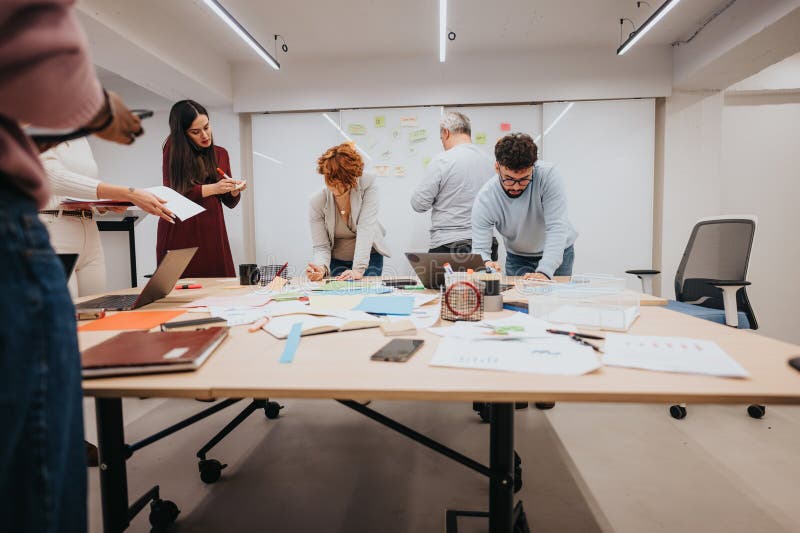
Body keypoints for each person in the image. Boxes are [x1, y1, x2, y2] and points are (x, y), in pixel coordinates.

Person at [0, 1, 146, 530]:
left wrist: (113, 196)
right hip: (37, 223)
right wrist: (99, 108)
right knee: (35, 450)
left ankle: (88, 426)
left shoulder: (73, 139)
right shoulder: (71, 114)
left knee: (93, 330)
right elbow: (43, 53)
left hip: (87, 228)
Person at [40, 137, 174, 297]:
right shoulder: (36, 129)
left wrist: (101, 205)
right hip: (55, 228)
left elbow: (85, 186)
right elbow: (52, 177)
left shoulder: (80, 138)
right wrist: (128, 193)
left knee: (93, 309)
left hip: (89, 230)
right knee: (64, 312)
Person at [156, 100, 245, 277]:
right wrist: (214, 188)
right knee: (184, 291)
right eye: (196, 132)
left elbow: (228, 201)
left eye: (207, 127)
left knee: (219, 289)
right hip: (182, 228)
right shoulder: (173, 148)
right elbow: (174, 191)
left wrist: (233, 191)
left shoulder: (221, 153)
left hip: (212, 228)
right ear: (183, 134)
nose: (205, 135)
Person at [472, 133, 578, 280]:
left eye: (523, 180)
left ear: (533, 167)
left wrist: (544, 272)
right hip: (518, 257)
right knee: (519, 300)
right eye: (509, 179)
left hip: (558, 252)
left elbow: (556, 227)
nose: (516, 186)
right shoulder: (486, 198)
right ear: (497, 168)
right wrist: (486, 263)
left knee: (554, 300)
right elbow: (480, 249)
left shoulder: (548, 176)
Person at [410, 111, 498, 259]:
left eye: (441, 138)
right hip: (485, 244)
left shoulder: (442, 161)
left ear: (446, 133)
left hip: (448, 245)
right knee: (481, 283)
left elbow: (419, 204)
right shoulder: (491, 162)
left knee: (443, 283)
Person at [306, 142, 390, 281]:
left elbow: (366, 228)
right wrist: (321, 268)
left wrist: (357, 270)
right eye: (331, 181)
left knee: (368, 298)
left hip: (369, 258)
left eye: (342, 183)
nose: (336, 189)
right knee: (338, 299)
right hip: (336, 260)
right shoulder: (317, 202)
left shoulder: (368, 185)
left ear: (353, 178)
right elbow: (321, 246)